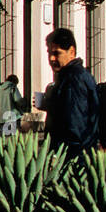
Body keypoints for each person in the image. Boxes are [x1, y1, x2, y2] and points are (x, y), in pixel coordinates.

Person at [42, 28, 99, 161]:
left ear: (71, 52)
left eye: (57, 53)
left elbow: (75, 124)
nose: (51, 58)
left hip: (72, 158)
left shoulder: (73, 79)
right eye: (49, 53)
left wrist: (61, 157)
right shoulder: (75, 75)